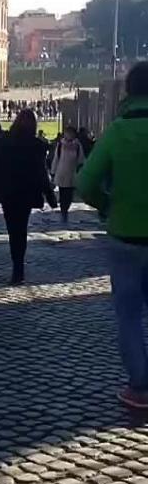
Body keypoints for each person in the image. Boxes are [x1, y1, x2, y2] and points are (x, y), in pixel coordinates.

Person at [77, 62, 148, 409]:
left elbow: (85, 182)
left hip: (125, 236)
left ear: (128, 93)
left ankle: (140, 387)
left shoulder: (118, 131)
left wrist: (108, 206)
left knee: (129, 316)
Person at [0, 110, 57, 285]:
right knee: (22, 229)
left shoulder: (5, 142)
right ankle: (19, 268)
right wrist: (50, 196)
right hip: (26, 193)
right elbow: (41, 173)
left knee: (13, 231)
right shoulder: (37, 145)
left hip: (8, 193)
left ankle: (16, 265)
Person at [51, 125, 84, 222]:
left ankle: (66, 208)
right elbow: (56, 159)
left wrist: (81, 171)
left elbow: (81, 160)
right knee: (62, 193)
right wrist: (53, 172)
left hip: (72, 174)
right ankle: (63, 210)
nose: (68, 135)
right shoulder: (61, 145)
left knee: (69, 195)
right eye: (67, 133)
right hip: (61, 173)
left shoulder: (77, 145)